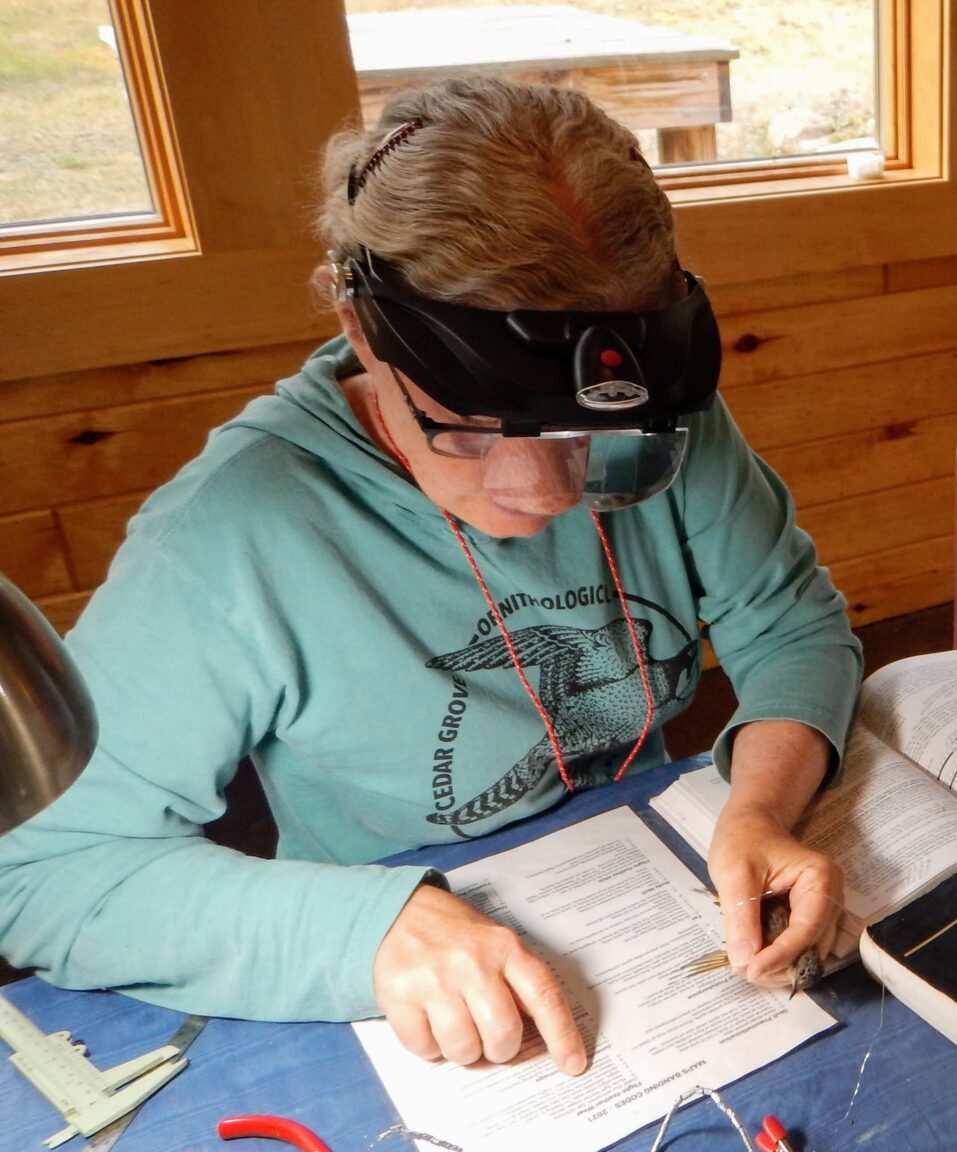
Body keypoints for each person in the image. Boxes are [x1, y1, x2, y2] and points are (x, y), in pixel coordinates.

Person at [0, 79, 861, 1078]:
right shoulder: (224, 539)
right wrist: (367, 934)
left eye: (593, 438)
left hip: (656, 905)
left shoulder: (656, 411)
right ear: (362, 330)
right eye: (474, 431)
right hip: (410, 988)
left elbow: (790, 624)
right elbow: (43, 876)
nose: (545, 491)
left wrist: (758, 809)